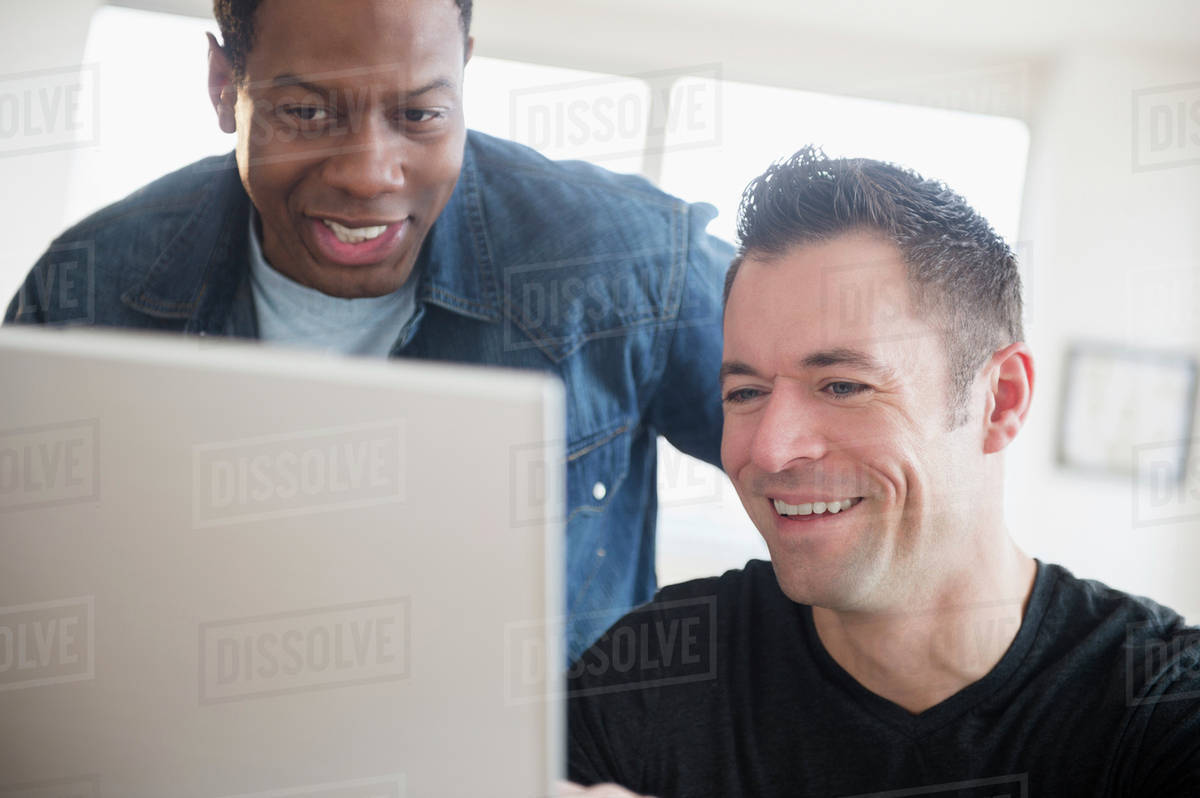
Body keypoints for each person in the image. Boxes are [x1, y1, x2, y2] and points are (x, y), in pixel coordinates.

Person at [3, 0, 732, 662]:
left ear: (463, 72)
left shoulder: (626, 262)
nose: (368, 175)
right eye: (307, 113)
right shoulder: (88, 288)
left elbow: (803, 466)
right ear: (225, 85)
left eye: (419, 114)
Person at [565, 148, 1200, 796]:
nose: (772, 451)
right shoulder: (650, 675)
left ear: (1000, 400)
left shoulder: (1163, 709)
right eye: (746, 393)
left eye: (843, 386)